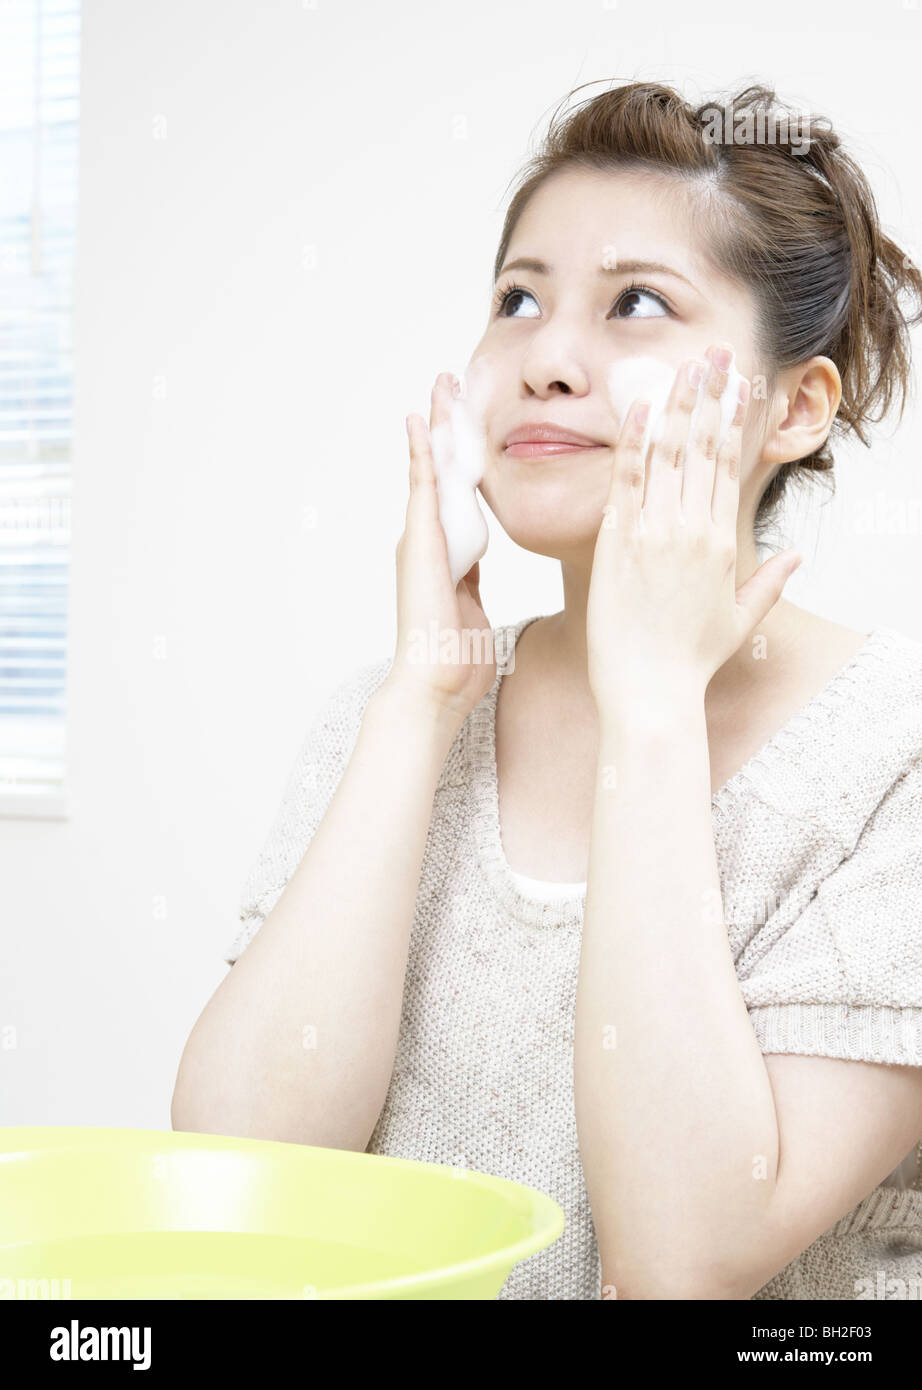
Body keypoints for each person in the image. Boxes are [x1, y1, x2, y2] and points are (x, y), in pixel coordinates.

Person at [172, 80, 922, 1300]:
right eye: (516, 299)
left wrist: (652, 714)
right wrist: (420, 709)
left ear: (792, 406)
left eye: (636, 303)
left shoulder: (896, 755)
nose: (547, 360)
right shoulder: (404, 712)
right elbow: (244, 1183)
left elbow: (682, 1266)